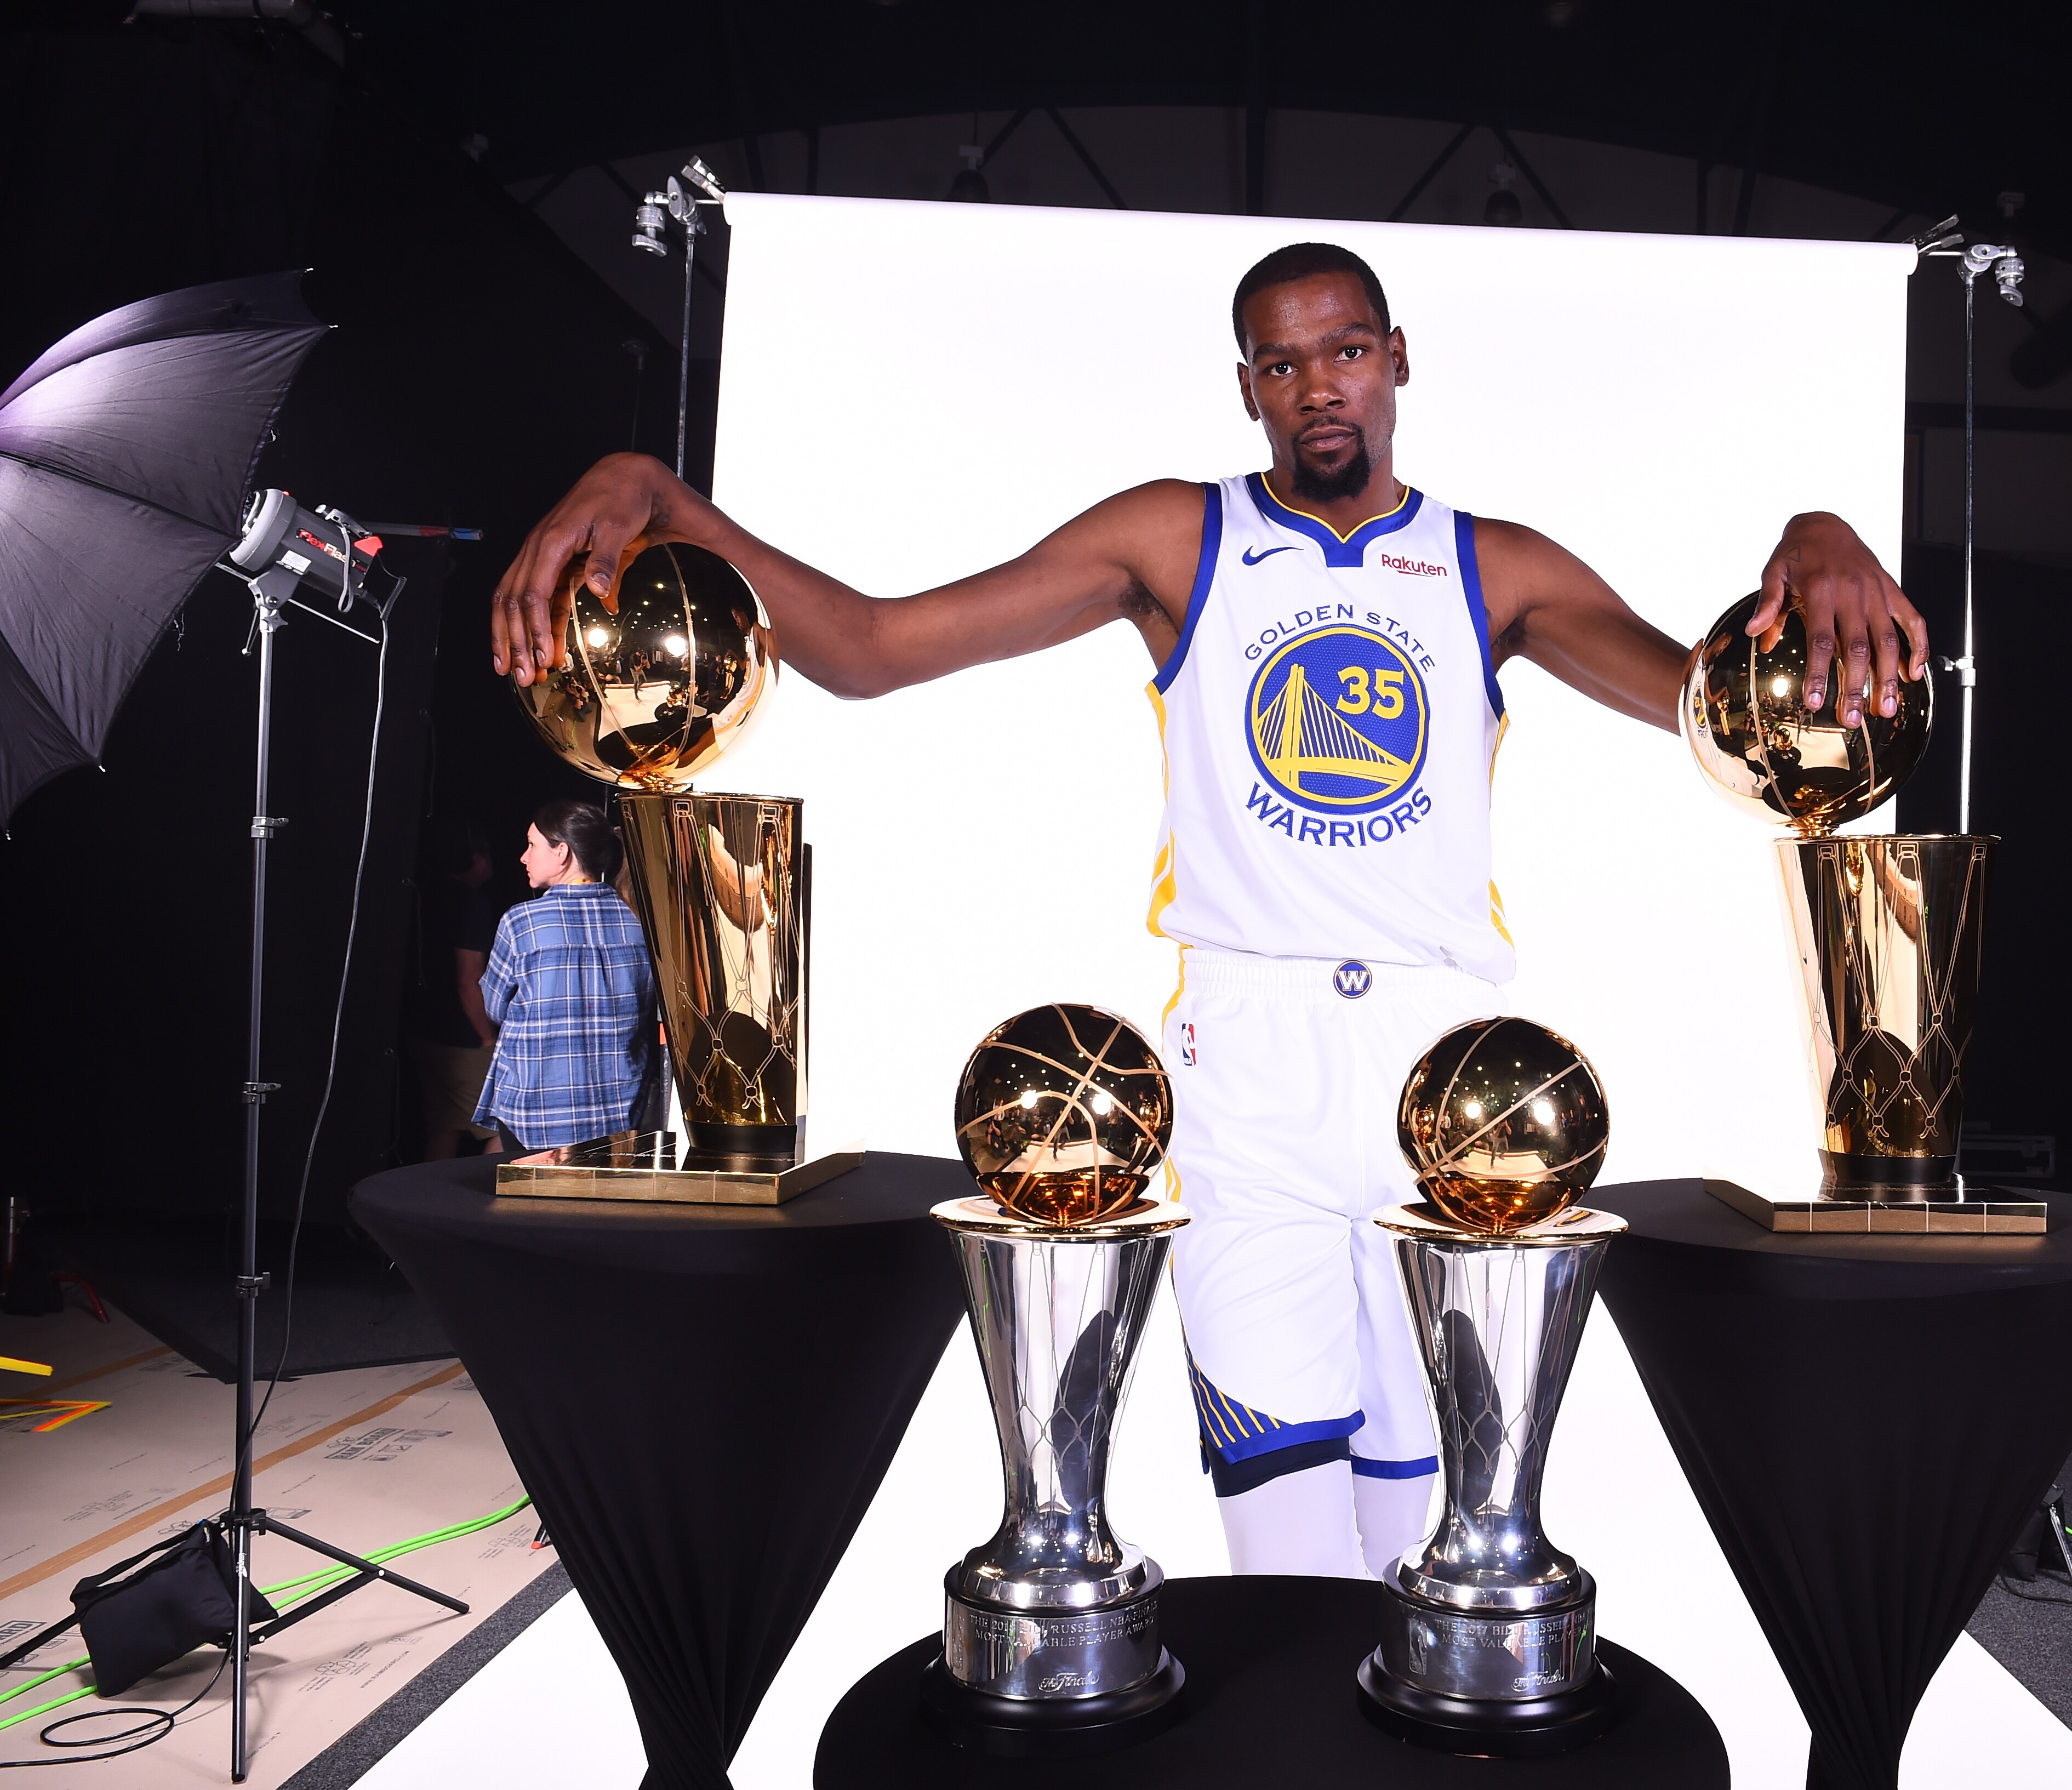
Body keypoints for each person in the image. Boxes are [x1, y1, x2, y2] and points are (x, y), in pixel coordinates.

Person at [487, 242, 1927, 1579]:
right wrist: (659, 492)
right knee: (1290, 1552)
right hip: (1249, 1060)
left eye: (1346, 350)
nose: (1320, 388)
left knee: (1440, 1548)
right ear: (1249, 385)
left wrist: (1816, 530)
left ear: (1398, 358)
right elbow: (869, 648)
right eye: (1285, 363)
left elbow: (1722, 717)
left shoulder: (1499, 567)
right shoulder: (1178, 541)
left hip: (1452, 1081)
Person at [474, 800, 661, 1153]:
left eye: (532, 845)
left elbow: (494, 1008)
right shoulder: (639, 924)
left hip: (536, 1112)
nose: (524, 857)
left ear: (562, 852)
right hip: (619, 1115)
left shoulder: (522, 923)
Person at [406, 818, 505, 1159]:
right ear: (477, 859)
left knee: (445, 1126)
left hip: (425, 1031)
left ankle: (425, 1206)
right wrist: (487, 1037)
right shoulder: (471, 904)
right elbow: (468, 979)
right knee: (501, 1129)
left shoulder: (425, 897)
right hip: (464, 1040)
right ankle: (488, 1210)